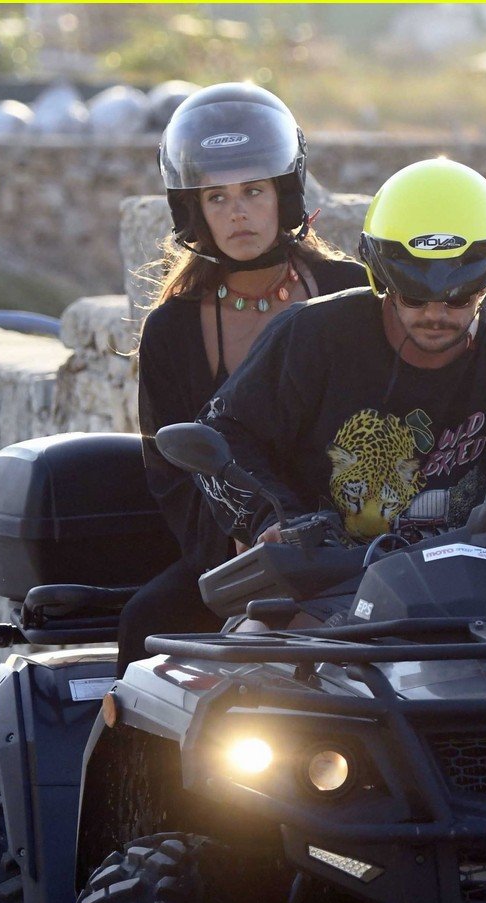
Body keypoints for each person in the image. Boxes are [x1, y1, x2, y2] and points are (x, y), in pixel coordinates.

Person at [197, 158, 486, 567]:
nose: (436, 314)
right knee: (265, 645)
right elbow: (222, 432)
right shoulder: (313, 336)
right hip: (316, 583)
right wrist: (272, 520)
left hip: (449, 588)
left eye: (459, 299)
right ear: (381, 278)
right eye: (414, 296)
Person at [116, 82, 367, 672]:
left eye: (254, 190)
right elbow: (172, 473)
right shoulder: (172, 330)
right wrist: (238, 547)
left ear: (284, 194)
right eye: (217, 197)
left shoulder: (350, 291)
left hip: (367, 541)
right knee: (145, 623)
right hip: (240, 552)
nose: (239, 212)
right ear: (193, 210)